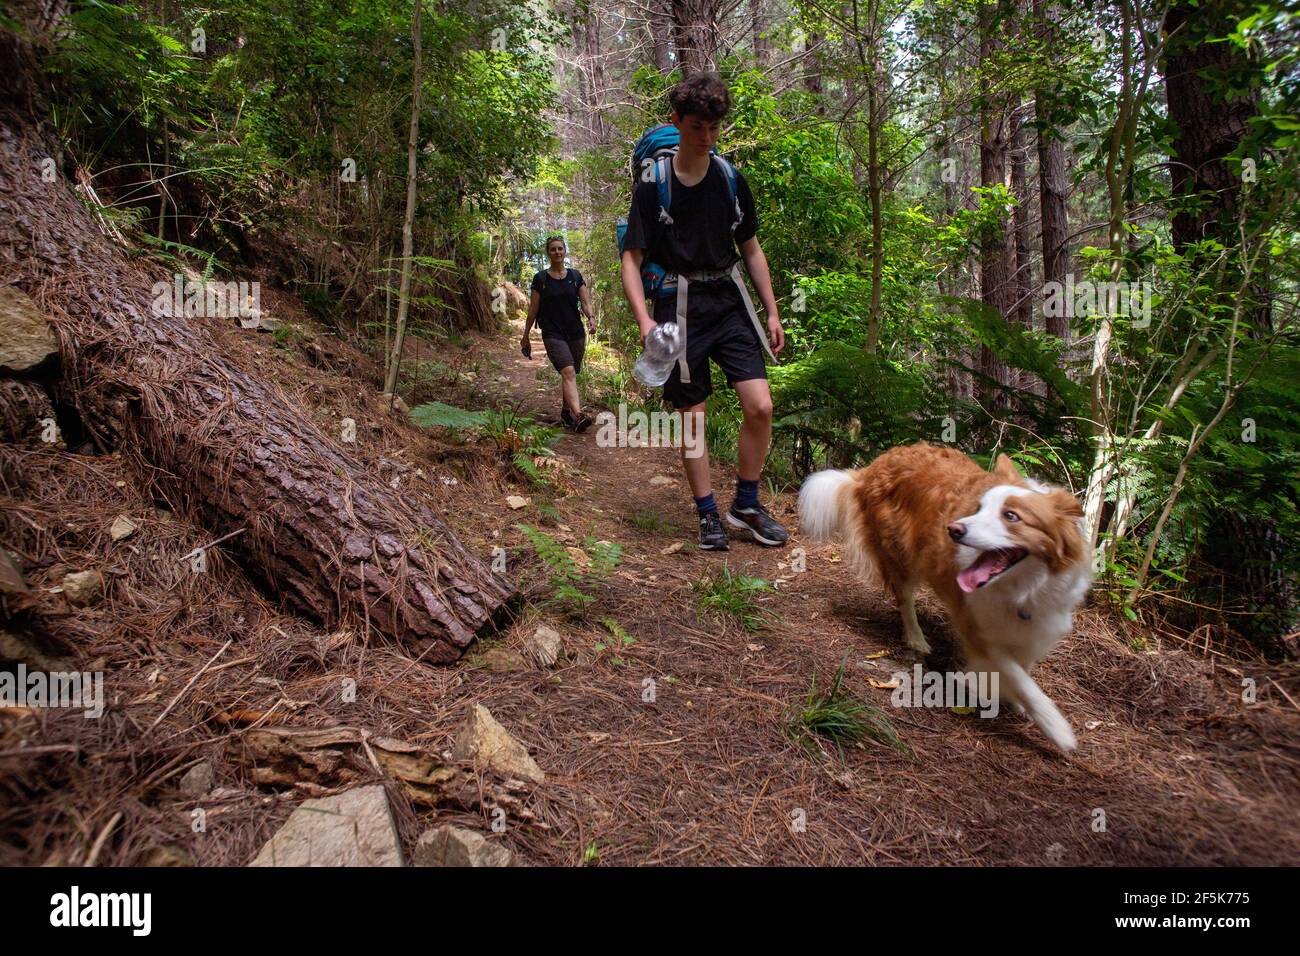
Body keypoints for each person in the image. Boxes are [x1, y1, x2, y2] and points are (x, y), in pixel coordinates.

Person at [619, 72, 788, 552]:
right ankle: (708, 513)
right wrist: (645, 321)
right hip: (678, 306)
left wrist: (772, 313)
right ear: (677, 122)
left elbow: (751, 249)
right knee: (692, 418)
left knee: (761, 406)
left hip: (729, 300)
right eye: (697, 128)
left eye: (714, 129)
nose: (706, 138)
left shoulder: (730, 179)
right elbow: (630, 259)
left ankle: (747, 504)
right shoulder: (654, 185)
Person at [522, 235, 596, 431]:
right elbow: (533, 310)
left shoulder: (575, 276)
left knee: (570, 373)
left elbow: (586, 302)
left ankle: (566, 413)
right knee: (568, 371)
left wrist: (591, 318)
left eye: (560, 249)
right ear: (548, 253)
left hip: (576, 332)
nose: (557, 252)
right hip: (552, 332)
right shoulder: (541, 279)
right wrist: (525, 335)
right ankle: (578, 416)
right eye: (553, 249)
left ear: (564, 252)